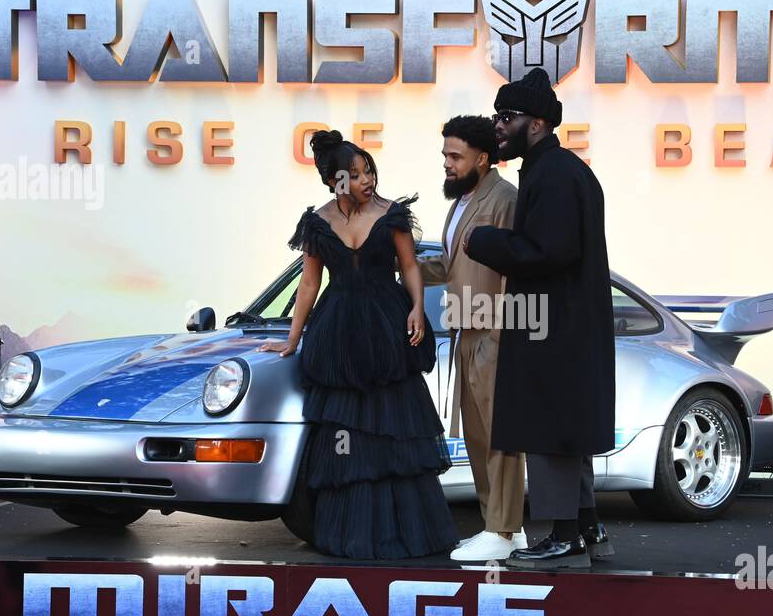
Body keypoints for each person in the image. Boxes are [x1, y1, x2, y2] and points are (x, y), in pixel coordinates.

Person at [258, 129, 457, 560]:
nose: (366, 179)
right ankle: (351, 534)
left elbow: (409, 266)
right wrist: (291, 340)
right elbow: (309, 284)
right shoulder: (317, 222)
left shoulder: (392, 215)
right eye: (356, 173)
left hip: (388, 326)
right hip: (338, 333)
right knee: (346, 434)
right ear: (335, 181)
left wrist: (418, 307)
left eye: (369, 170)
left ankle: (406, 532)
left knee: (394, 423)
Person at [464, 67, 616, 570]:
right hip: (564, 325)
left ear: (537, 124)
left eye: (506, 117)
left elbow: (549, 251)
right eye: (496, 116)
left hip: (556, 328)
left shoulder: (551, 175)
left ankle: (562, 537)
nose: (497, 127)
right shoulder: (560, 171)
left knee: (551, 431)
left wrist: (486, 240)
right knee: (565, 431)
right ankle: (587, 529)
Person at [417, 115, 526, 562]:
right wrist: (399, 271)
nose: (446, 162)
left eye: (455, 155)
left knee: (501, 437)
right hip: (466, 332)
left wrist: (500, 335)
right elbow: (447, 266)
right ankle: (501, 529)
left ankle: (501, 530)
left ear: (483, 158)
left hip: (494, 333)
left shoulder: (505, 199)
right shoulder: (461, 200)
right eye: (445, 154)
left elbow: (515, 266)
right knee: (480, 438)